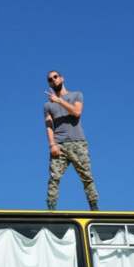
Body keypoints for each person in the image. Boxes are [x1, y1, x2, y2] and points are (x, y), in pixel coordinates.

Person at [44, 70, 99, 211]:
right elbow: (49, 126)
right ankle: (51, 211)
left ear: (62, 78)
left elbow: (76, 113)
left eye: (55, 77)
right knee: (54, 178)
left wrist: (59, 101)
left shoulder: (76, 95)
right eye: (50, 79)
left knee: (86, 176)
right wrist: (52, 145)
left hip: (78, 142)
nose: (53, 80)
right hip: (59, 144)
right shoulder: (48, 106)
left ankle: (94, 209)